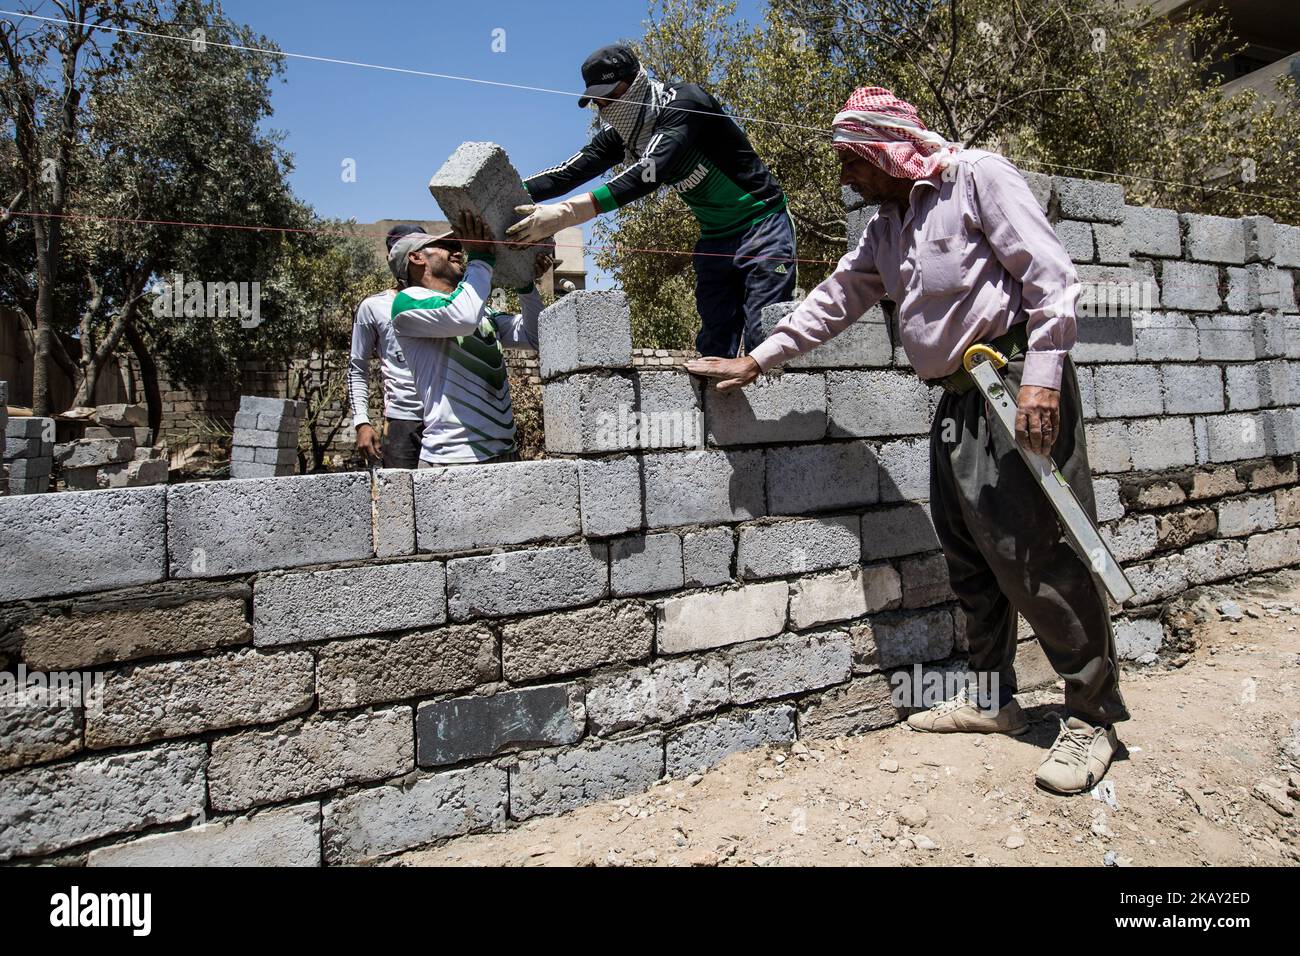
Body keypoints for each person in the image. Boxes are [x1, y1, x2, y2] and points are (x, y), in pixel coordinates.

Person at [687, 87, 1129, 795]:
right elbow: (835, 298)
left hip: (1010, 385)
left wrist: (1043, 381)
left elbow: (1052, 278)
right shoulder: (885, 226)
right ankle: (994, 701)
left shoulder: (976, 178)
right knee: (969, 554)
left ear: (883, 150)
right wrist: (757, 359)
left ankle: (1091, 716)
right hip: (957, 399)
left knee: (1038, 554)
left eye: (850, 162)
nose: (844, 178)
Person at [507, 43, 796, 358]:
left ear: (634, 81)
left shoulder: (685, 103)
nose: (604, 106)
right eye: (597, 100)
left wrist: (565, 214)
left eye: (609, 94)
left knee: (765, 341)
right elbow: (567, 173)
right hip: (716, 237)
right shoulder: (627, 132)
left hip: (763, 225)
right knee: (714, 347)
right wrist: (503, 190)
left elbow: (650, 171)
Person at [387, 212, 551, 466]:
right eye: (446, 246)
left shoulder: (479, 309)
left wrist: (524, 283)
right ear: (416, 257)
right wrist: (480, 257)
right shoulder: (407, 302)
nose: (458, 251)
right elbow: (462, 319)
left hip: (505, 451)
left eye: (459, 246)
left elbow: (537, 337)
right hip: (454, 456)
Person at [348, 223, 428, 468]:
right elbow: (357, 368)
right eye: (402, 250)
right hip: (402, 423)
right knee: (401, 499)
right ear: (391, 258)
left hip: (447, 420)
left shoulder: (449, 302)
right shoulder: (373, 307)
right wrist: (362, 422)